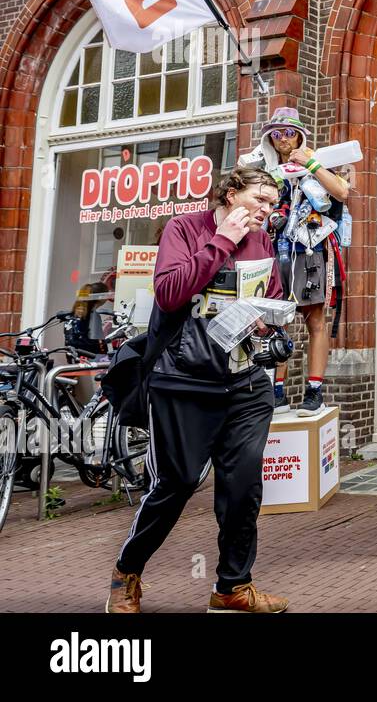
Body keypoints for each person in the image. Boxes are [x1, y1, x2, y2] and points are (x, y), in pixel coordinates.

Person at [107, 166, 289, 614]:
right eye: (258, 200)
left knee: (243, 487)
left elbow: (273, 291)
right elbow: (169, 294)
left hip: (245, 382)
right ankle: (126, 572)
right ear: (230, 194)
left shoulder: (263, 242)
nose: (267, 210)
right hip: (183, 380)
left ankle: (232, 587)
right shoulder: (184, 229)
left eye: (271, 203)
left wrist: (268, 316)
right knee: (177, 483)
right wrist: (222, 240)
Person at [243, 108, 353, 415]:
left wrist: (311, 164)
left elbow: (342, 192)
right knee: (276, 322)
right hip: (272, 252)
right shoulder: (264, 170)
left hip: (310, 248)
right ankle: (276, 391)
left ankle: (314, 390)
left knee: (315, 320)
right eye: (276, 134)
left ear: (300, 135)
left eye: (289, 133)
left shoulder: (317, 161)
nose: (283, 140)